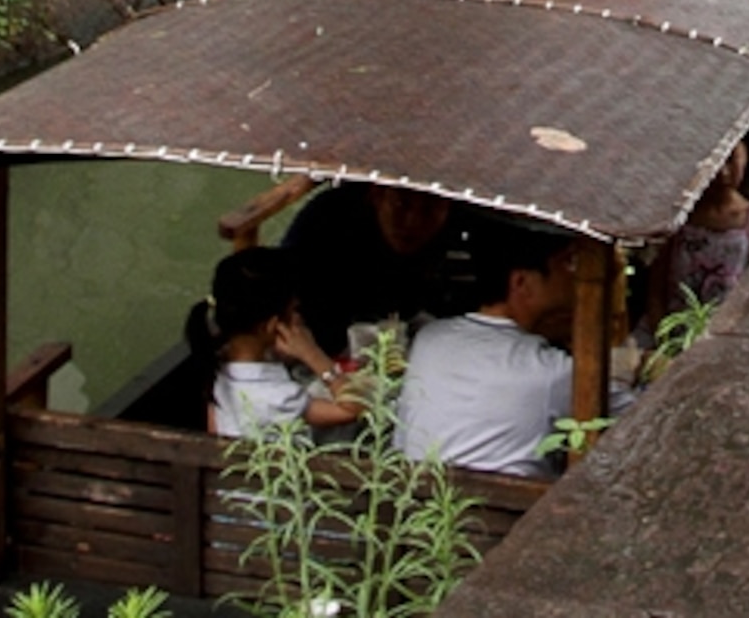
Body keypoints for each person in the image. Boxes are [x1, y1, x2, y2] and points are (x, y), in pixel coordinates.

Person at [393, 225, 596, 478]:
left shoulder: (429, 338)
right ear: (521, 282)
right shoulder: (551, 371)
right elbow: (633, 413)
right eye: (566, 263)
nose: (575, 275)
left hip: (414, 506)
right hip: (513, 515)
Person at [278, 180, 471, 355]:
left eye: (429, 210)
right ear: (377, 195)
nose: (412, 221)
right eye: (401, 205)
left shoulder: (464, 226)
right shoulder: (327, 219)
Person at [187, 245, 359, 437]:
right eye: (294, 309)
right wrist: (312, 354)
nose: (299, 317)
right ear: (271, 326)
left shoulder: (214, 364)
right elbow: (353, 409)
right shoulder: (278, 397)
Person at [649, 141, 749, 331]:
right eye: (716, 162)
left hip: (723, 332)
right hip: (675, 330)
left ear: (744, 161)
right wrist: (660, 338)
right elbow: (656, 286)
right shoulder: (680, 215)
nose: (723, 172)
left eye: (731, 161)